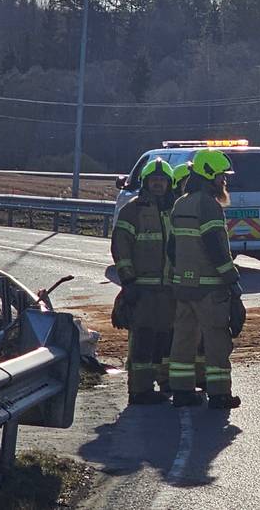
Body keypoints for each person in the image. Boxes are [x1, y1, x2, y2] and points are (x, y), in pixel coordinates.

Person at [168, 149, 243, 409]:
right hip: (210, 288)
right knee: (216, 340)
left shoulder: (181, 203)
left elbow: (172, 247)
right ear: (209, 174)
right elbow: (215, 246)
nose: (223, 181)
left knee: (183, 339)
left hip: (184, 287)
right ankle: (219, 393)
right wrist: (231, 278)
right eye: (221, 176)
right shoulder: (209, 205)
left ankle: (181, 391)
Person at [111, 157, 176, 405]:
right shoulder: (132, 210)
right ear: (145, 183)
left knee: (166, 338)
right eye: (154, 180)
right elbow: (120, 247)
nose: (158, 184)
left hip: (169, 289)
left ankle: (164, 382)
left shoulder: (173, 211)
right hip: (143, 289)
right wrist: (128, 282)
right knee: (142, 340)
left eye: (162, 180)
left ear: (169, 184)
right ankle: (139, 390)